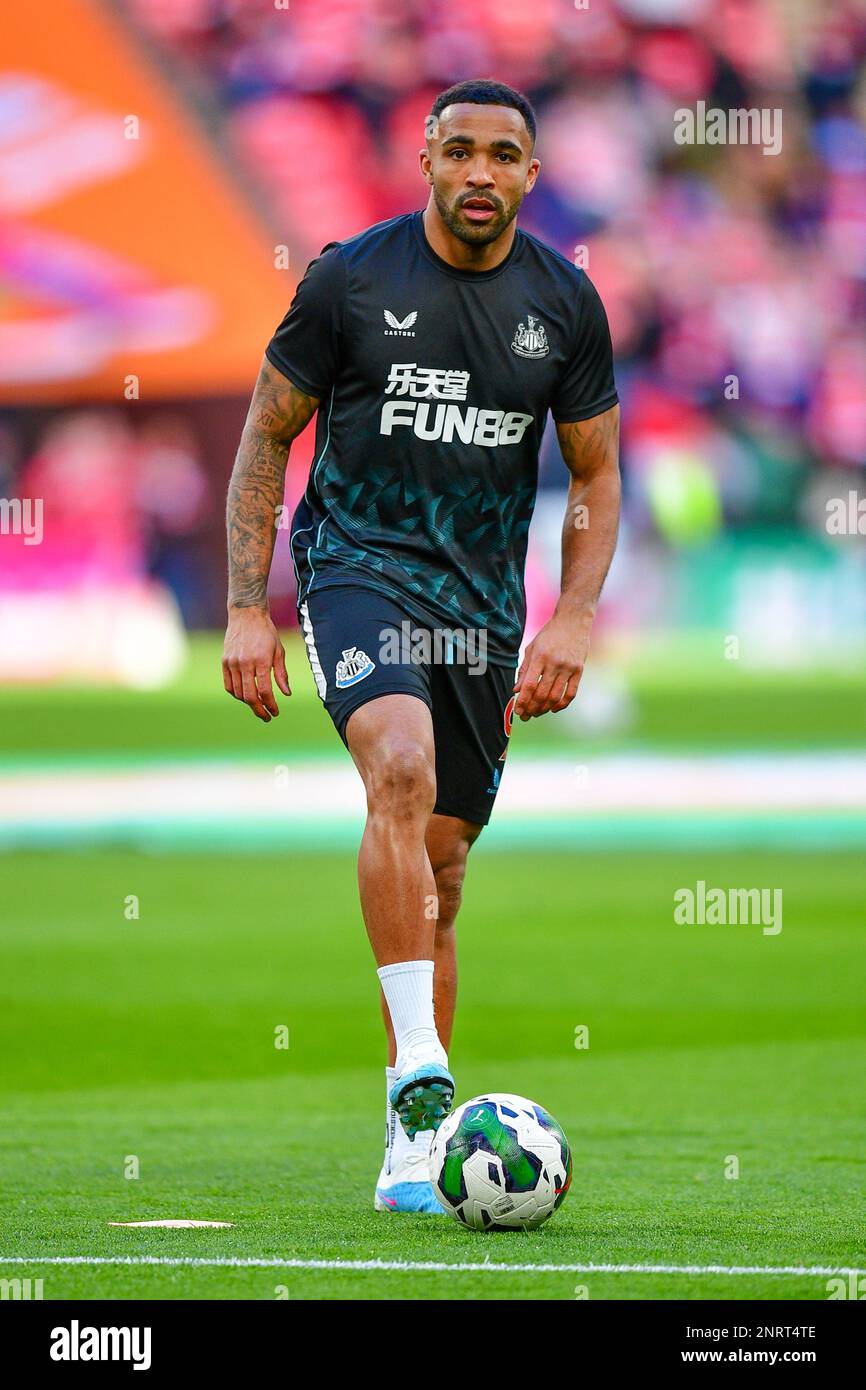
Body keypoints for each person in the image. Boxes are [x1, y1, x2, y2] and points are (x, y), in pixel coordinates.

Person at [223, 78, 620, 1214]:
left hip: (482, 612)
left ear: (530, 175)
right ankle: (420, 1083)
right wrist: (249, 604)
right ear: (426, 160)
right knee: (396, 770)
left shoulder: (565, 304)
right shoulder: (348, 278)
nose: (479, 173)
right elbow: (265, 432)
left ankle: (413, 1145)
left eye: (503, 155)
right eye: (459, 151)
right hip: (355, 571)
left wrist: (575, 615)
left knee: (441, 876)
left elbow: (594, 473)